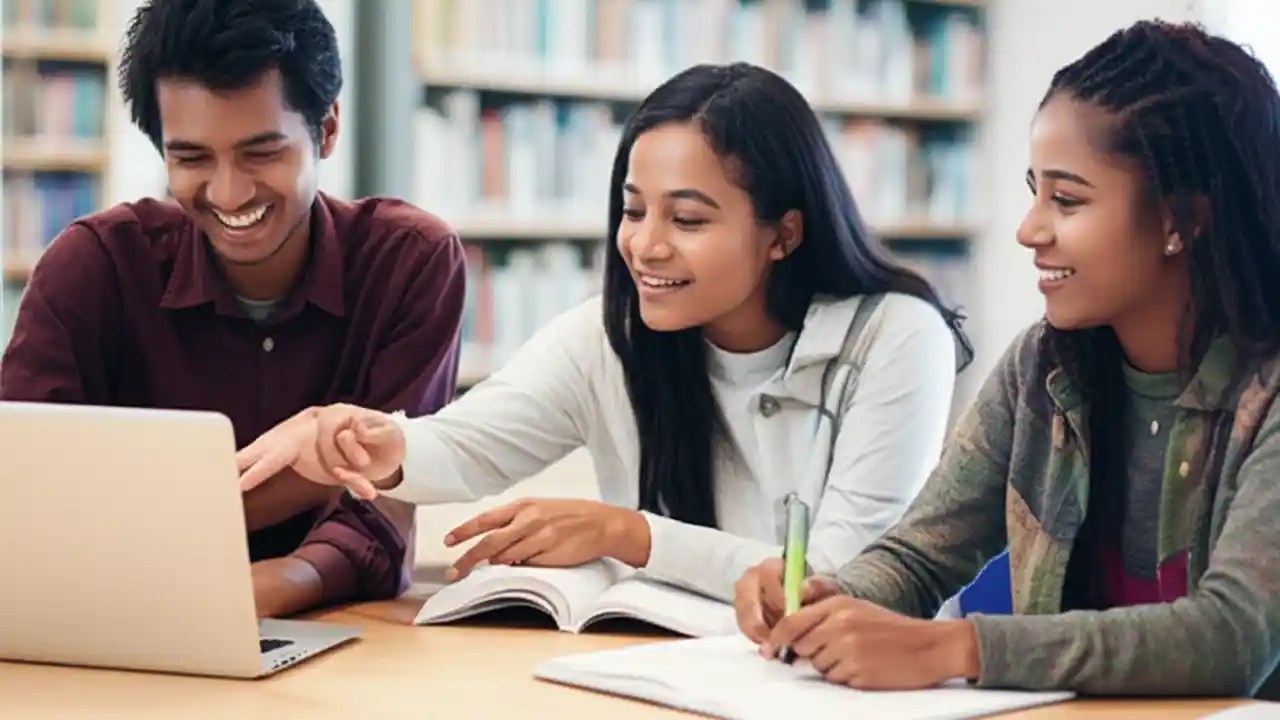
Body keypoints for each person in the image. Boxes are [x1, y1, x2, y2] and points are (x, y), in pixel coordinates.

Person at [234, 61, 973, 603]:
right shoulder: (608, 336)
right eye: (633, 209)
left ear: (784, 233)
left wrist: (630, 535)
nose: (646, 246)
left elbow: (849, 579)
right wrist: (373, 441)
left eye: (687, 219)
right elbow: (466, 446)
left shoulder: (897, 338)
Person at [733, 19, 1280, 699]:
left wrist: (959, 646)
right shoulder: (1042, 369)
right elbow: (918, 555)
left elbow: (1233, 636)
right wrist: (828, 601)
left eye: (1068, 200)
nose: (1029, 230)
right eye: (1034, 191)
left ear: (1182, 219)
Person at [0, 0, 465, 618]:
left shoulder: (409, 263)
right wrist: (304, 482)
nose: (227, 193)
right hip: (115, 625)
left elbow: (375, 524)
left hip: (331, 637)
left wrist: (234, 598)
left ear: (326, 129)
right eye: (191, 158)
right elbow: (30, 503)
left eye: (261, 153)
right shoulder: (94, 269)